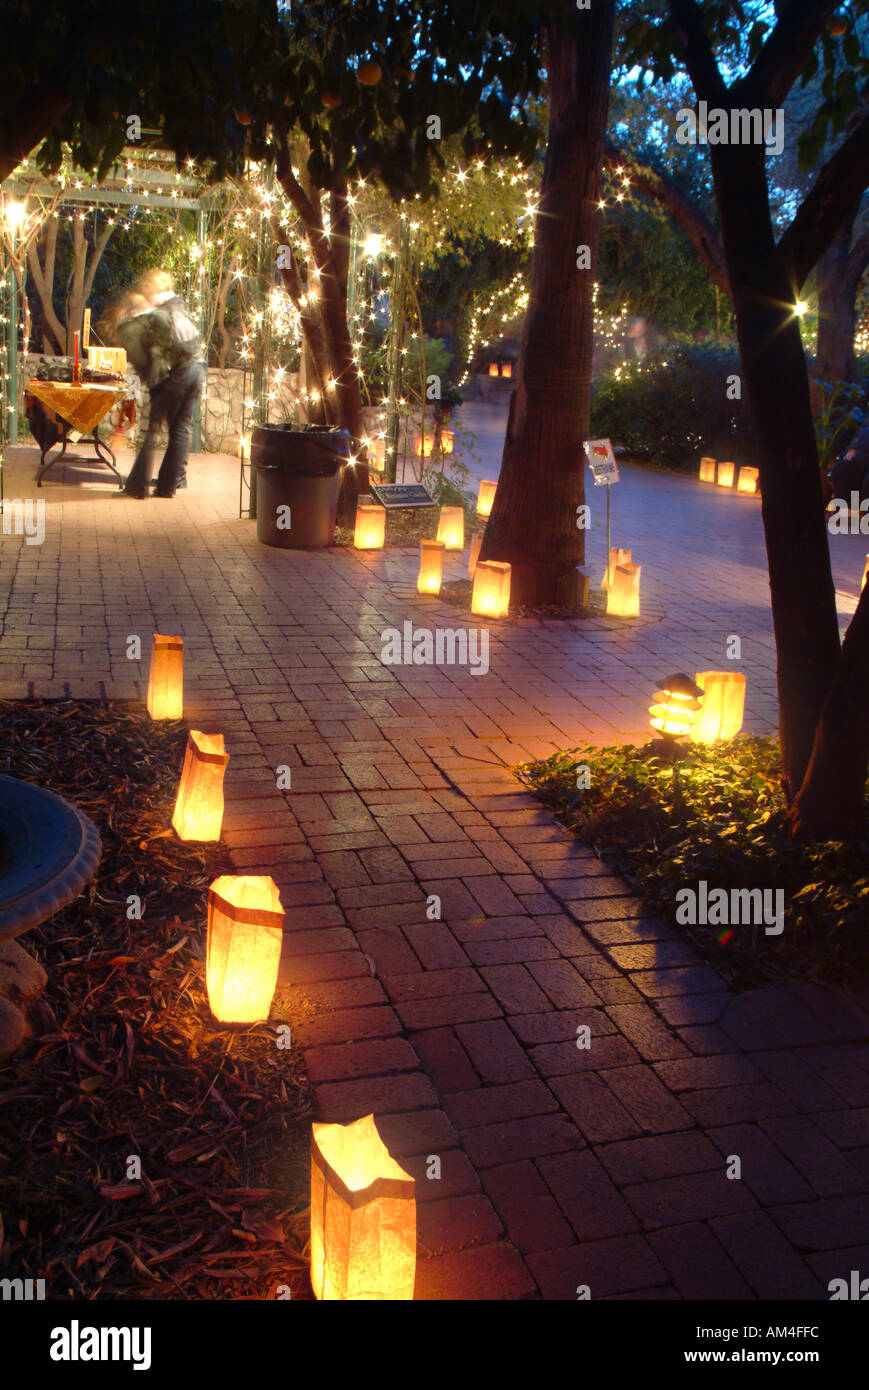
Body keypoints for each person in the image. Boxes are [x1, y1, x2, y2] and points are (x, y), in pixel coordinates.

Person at [108, 271, 205, 498]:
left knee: (150, 429)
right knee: (181, 428)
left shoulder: (158, 315)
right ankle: (168, 486)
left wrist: (154, 384)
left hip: (177, 374)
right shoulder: (180, 306)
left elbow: (154, 358)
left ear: (154, 290)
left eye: (149, 292)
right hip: (197, 368)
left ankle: (137, 487)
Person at [828, 414, 869, 504]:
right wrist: (852, 449)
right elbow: (859, 434)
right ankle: (847, 514)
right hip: (861, 456)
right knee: (841, 470)